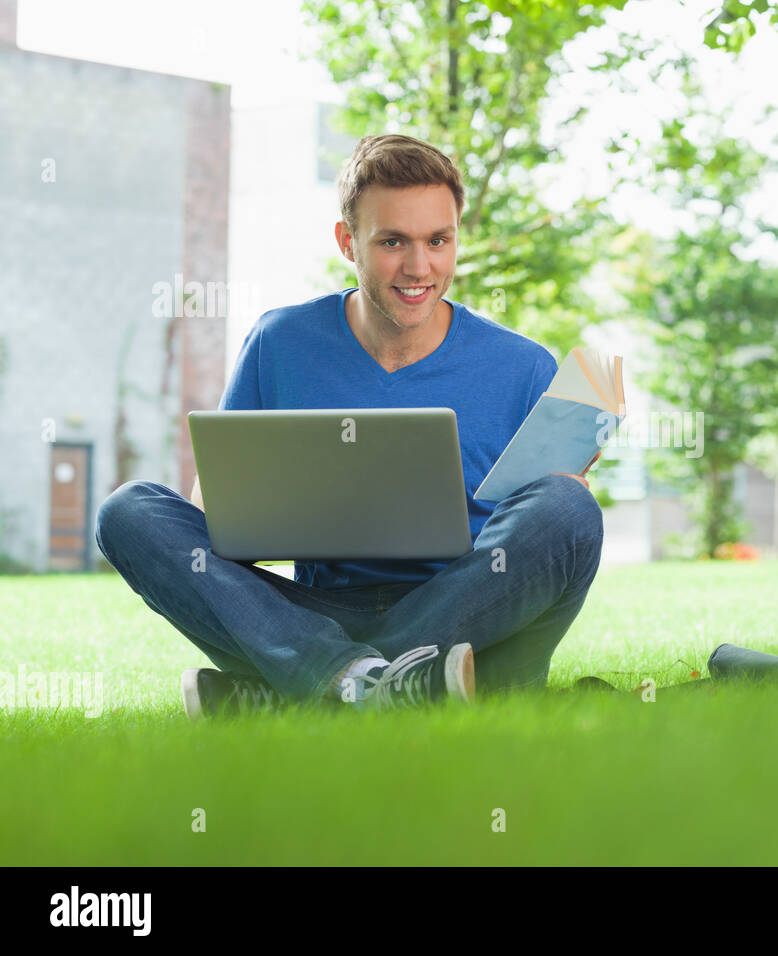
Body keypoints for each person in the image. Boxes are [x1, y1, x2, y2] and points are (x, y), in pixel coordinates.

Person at [94, 134, 604, 720]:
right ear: (347, 241)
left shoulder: (524, 365)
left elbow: (538, 540)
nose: (420, 268)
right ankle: (381, 680)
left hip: (469, 622)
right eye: (393, 242)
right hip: (314, 611)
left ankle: (310, 684)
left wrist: (565, 488)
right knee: (129, 512)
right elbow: (213, 518)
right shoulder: (280, 343)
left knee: (568, 505)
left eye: (438, 241)